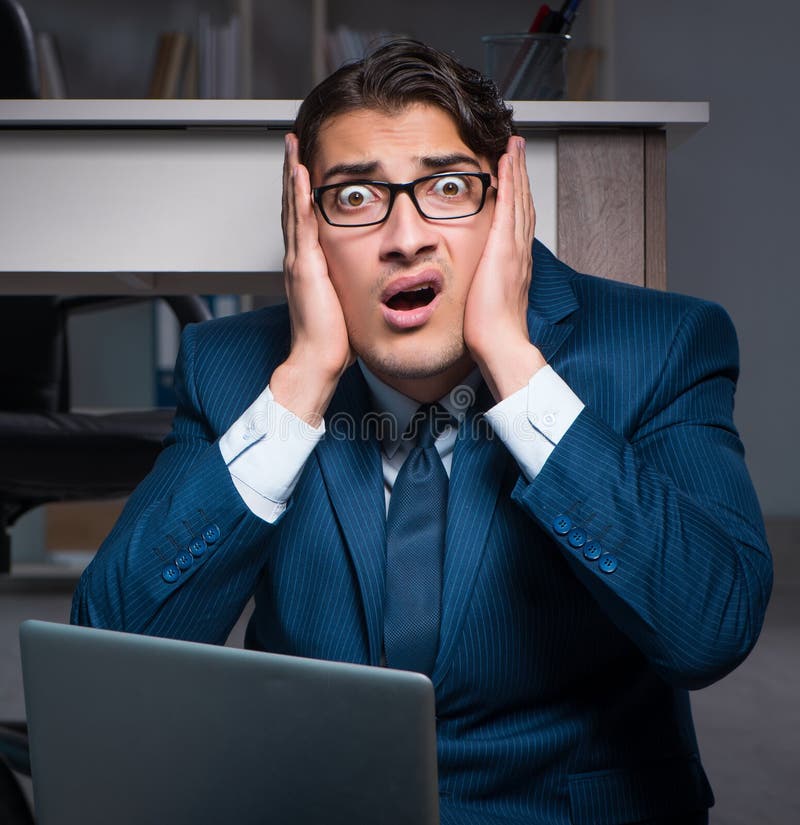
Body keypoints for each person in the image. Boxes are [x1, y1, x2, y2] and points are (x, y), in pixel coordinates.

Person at [72, 39, 771, 825]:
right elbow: (113, 656)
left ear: (507, 202)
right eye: (357, 198)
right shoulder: (235, 369)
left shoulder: (663, 346)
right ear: (306, 226)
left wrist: (515, 365)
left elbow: (710, 627)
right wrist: (301, 383)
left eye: (447, 186)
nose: (406, 237)